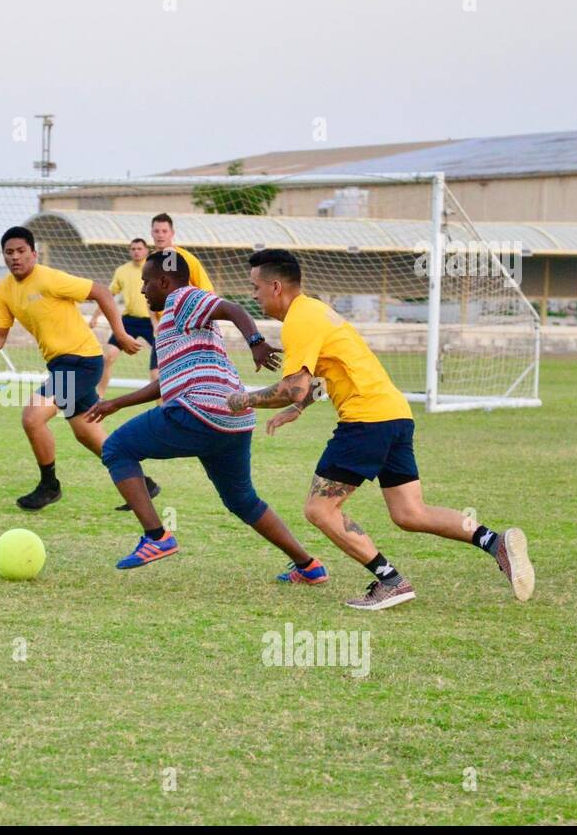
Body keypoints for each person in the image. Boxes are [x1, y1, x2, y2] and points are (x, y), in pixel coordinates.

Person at [229, 248, 535, 610]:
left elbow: (293, 385)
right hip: (394, 414)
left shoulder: (300, 319)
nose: (253, 295)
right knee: (410, 513)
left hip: (366, 420)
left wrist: (243, 400)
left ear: (276, 286)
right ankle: (494, 542)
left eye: (255, 288)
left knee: (319, 510)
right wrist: (299, 407)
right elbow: (331, 370)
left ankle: (390, 581)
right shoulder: (314, 311)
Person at [87, 250, 319, 573]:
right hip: (234, 421)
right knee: (242, 501)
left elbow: (231, 307)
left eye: (146, 282)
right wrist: (116, 403)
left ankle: (156, 536)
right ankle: (308, 565)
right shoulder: (172, 322)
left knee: (115, 448)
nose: (142, 291)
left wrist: (255, 341)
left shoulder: (181, 298)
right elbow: (165, 384)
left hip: (198, 411)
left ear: (165, 281)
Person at [0, 225, 162, 511]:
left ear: (34, 254)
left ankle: (49, 486)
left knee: (32, 418)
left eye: (21, 251)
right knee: (87, 434)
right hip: (61, 365)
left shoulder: (49, 279)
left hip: (83, 361)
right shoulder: (4, 290)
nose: (15, 257)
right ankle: (144, 483)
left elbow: (102, 292)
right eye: (9, 252)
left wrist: (122, 334)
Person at [91, 238, 156, 397]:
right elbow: (107, 296)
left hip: (152, 322)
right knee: (109, 356)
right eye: (133, 249)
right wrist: (95, 317)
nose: (136, 251)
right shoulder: (122, 271)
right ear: (129, 251)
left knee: (160, 364)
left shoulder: (154, 268)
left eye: (139, 248)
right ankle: (99, 396)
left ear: (146, 250)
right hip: (129, 320)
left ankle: (163, 402)